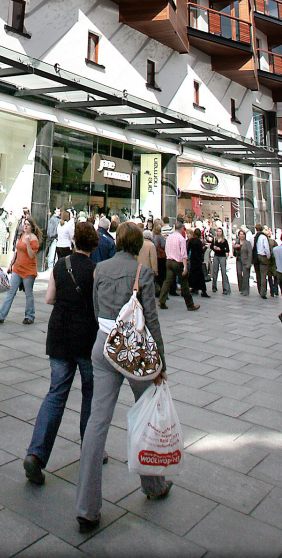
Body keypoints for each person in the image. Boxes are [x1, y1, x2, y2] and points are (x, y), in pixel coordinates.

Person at [75, 222, 170, 530]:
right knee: (145, 413)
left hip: (104, 345)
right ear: (138, 245)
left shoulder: (99, 269)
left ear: (116, 242)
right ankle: (153, 484)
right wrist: (160, 363)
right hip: (133, 350)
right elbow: (151, 320)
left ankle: (86, 506)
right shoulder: (142, 273)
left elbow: (93, 308)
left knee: (97, 421)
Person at [24, 221, 99, 485]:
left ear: (75, 241)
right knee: (90, 396)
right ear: (95, 244)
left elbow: (49, 299)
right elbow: (98, 307)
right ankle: (90, 449)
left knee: (56, 393)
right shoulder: (95, 271)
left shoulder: (60, 264)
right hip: (86, 339)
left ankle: (36, 454)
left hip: (60, 334)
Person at [0, 215, 41, 325]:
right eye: (25, 224)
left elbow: (32, 255)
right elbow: (17, 251)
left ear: (32, 227)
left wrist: (28, 243)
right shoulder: (22, 235)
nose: (25, 226)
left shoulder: (34, 239)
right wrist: (10, 264)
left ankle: (30, 315)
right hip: (17, 268)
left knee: (28, 293)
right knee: (11, 291)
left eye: (28, 225)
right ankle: (1, 314)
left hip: (28, 270)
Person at [158, 219, 199, 311]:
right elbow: (183, 254)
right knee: (184, 283)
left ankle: (162, 300)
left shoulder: (169, 237)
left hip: (169, 261)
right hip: (178, 262)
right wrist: (185, 267)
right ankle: (190, 304)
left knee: (167, 282)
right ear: (181, 229)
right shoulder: (181, 239)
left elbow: (166, 249)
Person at [187, 228, 210, 298]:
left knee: (192, 274)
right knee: (200, 275)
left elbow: (188, 250)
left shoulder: (191, 241)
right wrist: (205, 248)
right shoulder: (199, 242)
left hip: (192, 259)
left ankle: (194, 288)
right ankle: (203, 290)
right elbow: (201, 251)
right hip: (198, 260)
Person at [252, 224, 271, 298]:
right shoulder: (263, 237)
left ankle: (259, 289)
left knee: (258, 274)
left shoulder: (253, 236)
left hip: (256, 256)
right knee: (263, 275)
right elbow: (266, 248)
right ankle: (263, 292)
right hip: (262, 256)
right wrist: (268, 256)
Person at [211, 227, 231, 294]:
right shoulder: (214, 239)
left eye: (220, 231)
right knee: (214, 271)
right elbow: (211, 246)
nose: (219, 233)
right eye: (218, 231)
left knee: (223, 272)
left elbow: (227, 250)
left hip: (222, 256)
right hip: (216, 256)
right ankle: (214, 287)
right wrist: (214, 248)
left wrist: (221, 249)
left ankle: (226, 288)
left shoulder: (224, 241)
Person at [152, 219, 167, 292]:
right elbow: (163, 246)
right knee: (162, 274)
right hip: (161, 257)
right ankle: (161, 288)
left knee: (156, 274)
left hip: (155, 256)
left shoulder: (153, 236)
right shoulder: (161, 237)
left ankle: (156, 288)